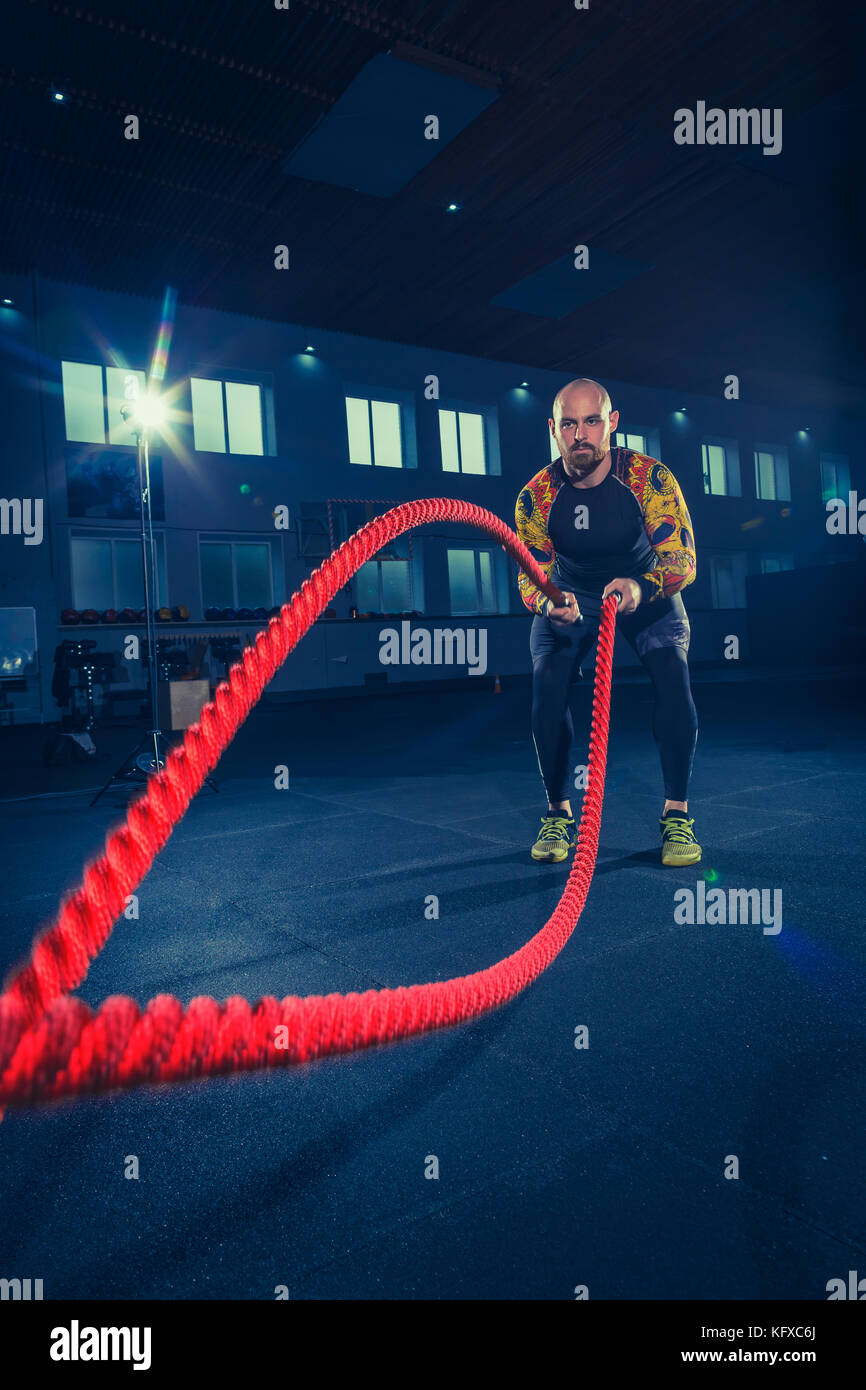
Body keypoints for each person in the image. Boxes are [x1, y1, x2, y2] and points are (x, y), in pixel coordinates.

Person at [515, 378, 701, 867]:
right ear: (554, 430)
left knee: (674, 680)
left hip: (646, 588)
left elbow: (682, 559)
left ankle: (677, 815)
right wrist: (547, 602)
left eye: (592, 421)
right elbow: (529, 576)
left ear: (612, 424)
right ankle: (558, 813)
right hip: (571, 595)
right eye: (570, 424)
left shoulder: (648, 479)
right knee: (547, 684)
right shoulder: (535, 498)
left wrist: (641, 587)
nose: (581, 435)